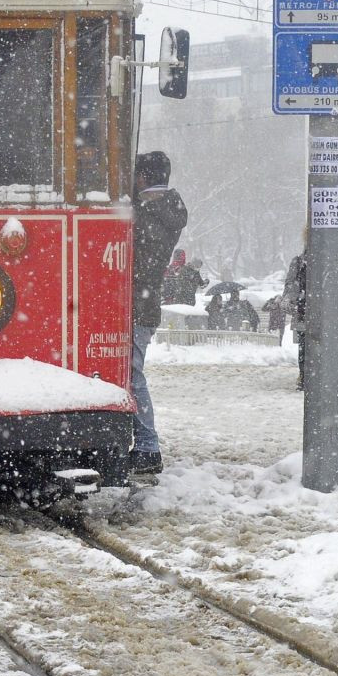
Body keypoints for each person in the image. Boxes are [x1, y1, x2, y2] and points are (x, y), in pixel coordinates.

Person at [128, 151, 188, 476]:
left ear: (141, 178)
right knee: (132, 373)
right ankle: (144, 444)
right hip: (144, 304)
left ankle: (148, 446)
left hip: (137, 305)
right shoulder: (165, 211)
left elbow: (139, 256)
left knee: (132, 374)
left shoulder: (148, 214)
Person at [284, 234, 310, 390]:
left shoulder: (299, 262)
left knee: (304, 345)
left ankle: (304, 375)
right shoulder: (299, 262)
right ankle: (305, 374)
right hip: (304, 308)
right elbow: (290, 283)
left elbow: (290, 284)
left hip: (303, 308)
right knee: (305, 345)